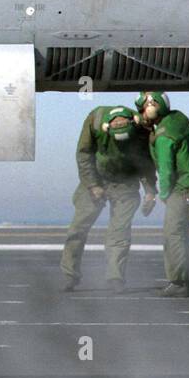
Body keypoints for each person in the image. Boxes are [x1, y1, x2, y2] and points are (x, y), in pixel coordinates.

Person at [60, 104, 157, 292]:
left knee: (119, 232)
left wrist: (150, 191)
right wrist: (93, 185)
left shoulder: (142, 128)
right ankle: (69, 275)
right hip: (96, 179)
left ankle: (115, 278)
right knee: (78, 228)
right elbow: (84, 154)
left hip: (126, 183)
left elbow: (147, 161)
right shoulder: (94, 121)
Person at [137, 90, 189, 297]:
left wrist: (164, 194)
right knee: (182, 234)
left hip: (183, 188)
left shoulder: (164, 136)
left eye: (142, 108)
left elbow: (166, 169)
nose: (141, 113)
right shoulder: (178, 118)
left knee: (173, 234)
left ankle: (178, 282)